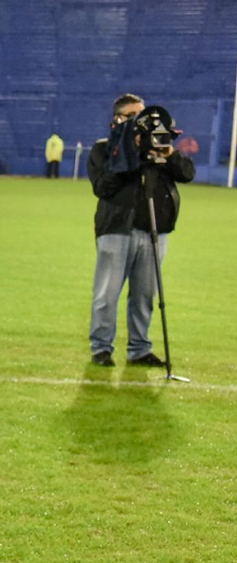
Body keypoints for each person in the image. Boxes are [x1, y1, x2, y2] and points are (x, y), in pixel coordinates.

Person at [87, 93, 194, 367]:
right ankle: (101, 348)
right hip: (116, 230)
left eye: (143, 115)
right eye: (134, 116)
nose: (142, 122)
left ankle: (139, 349)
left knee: (145, 295)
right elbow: (102, 187)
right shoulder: (104, 149)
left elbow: (187, 173)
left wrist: (168, 154)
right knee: (106, 294)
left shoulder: (157, 149)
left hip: (155, 232)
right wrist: (128, 155)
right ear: (118, 119)